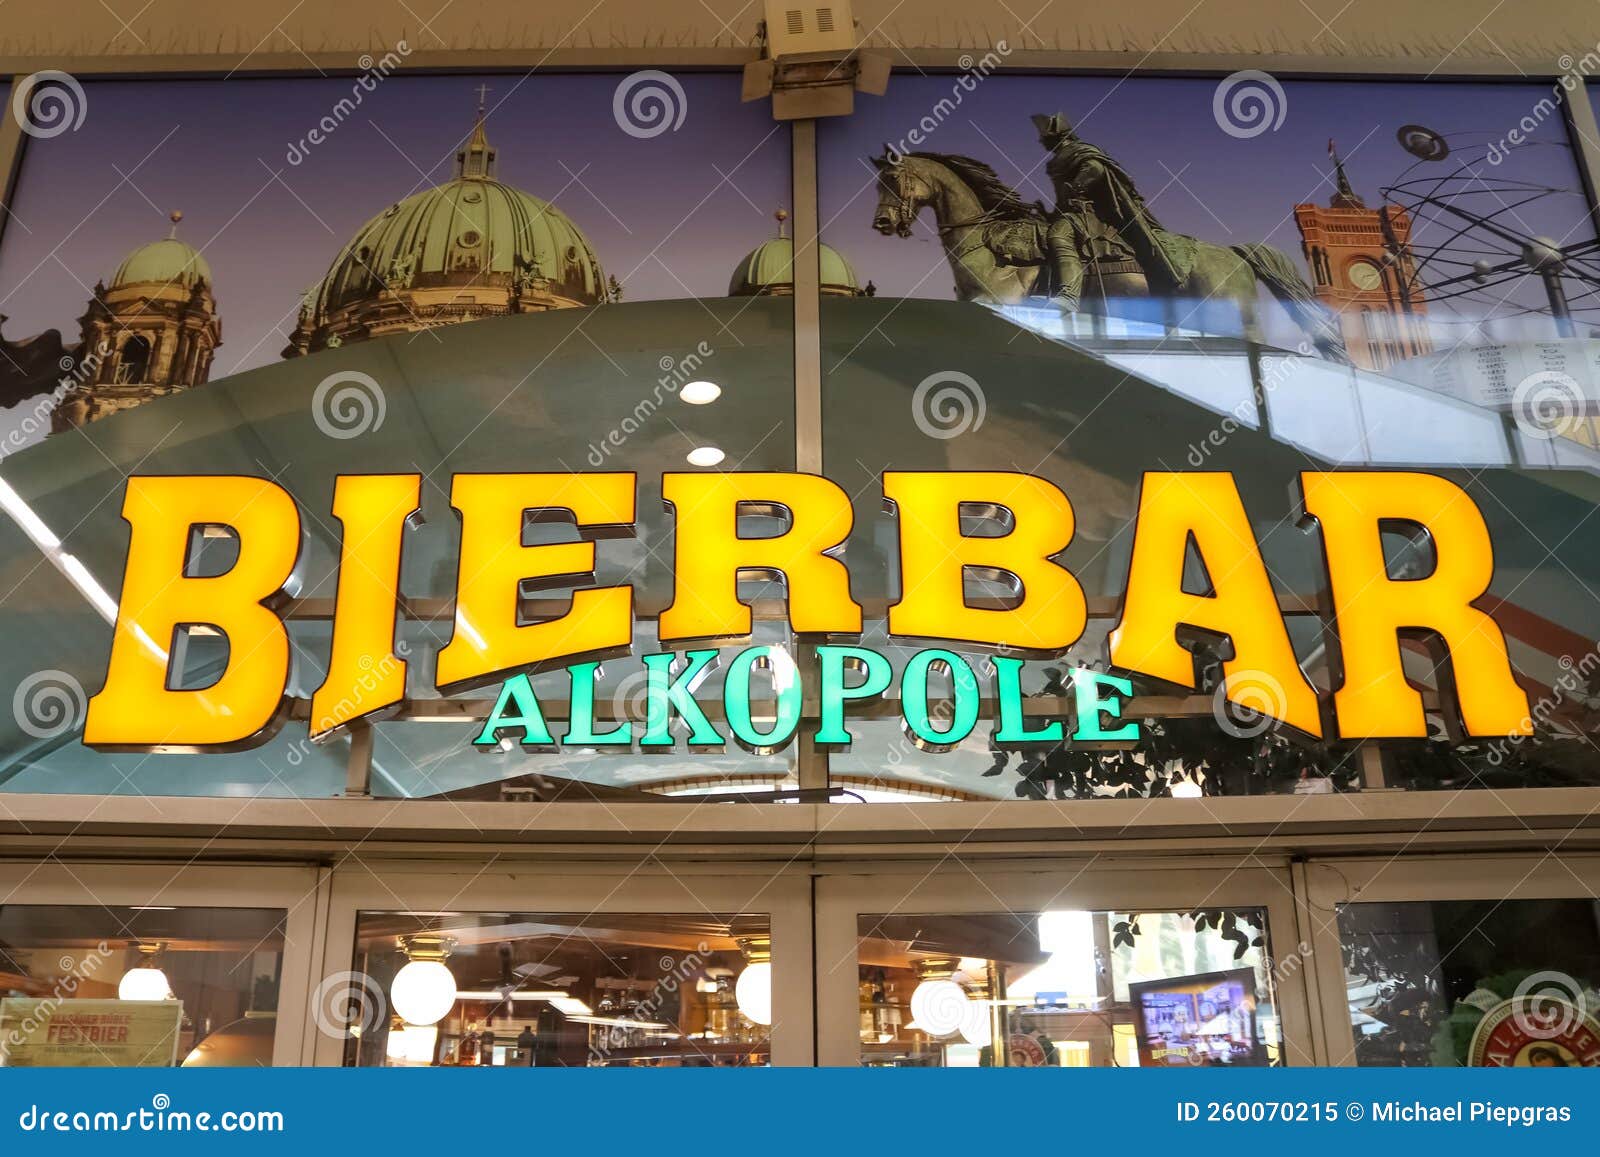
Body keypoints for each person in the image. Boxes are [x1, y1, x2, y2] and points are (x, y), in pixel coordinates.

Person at [1034, 112, 1196, 297]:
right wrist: (1047, 214)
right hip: (1072, 212)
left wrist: (1076, 187)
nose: (1041, 142)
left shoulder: (1077, 150)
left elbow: (1095, 168)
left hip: (1091, 213)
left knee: (1058, 236)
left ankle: (1068, 295)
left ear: (1056, 136)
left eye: (1044, 138)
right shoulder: (1058, 159)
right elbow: (1062, 201)